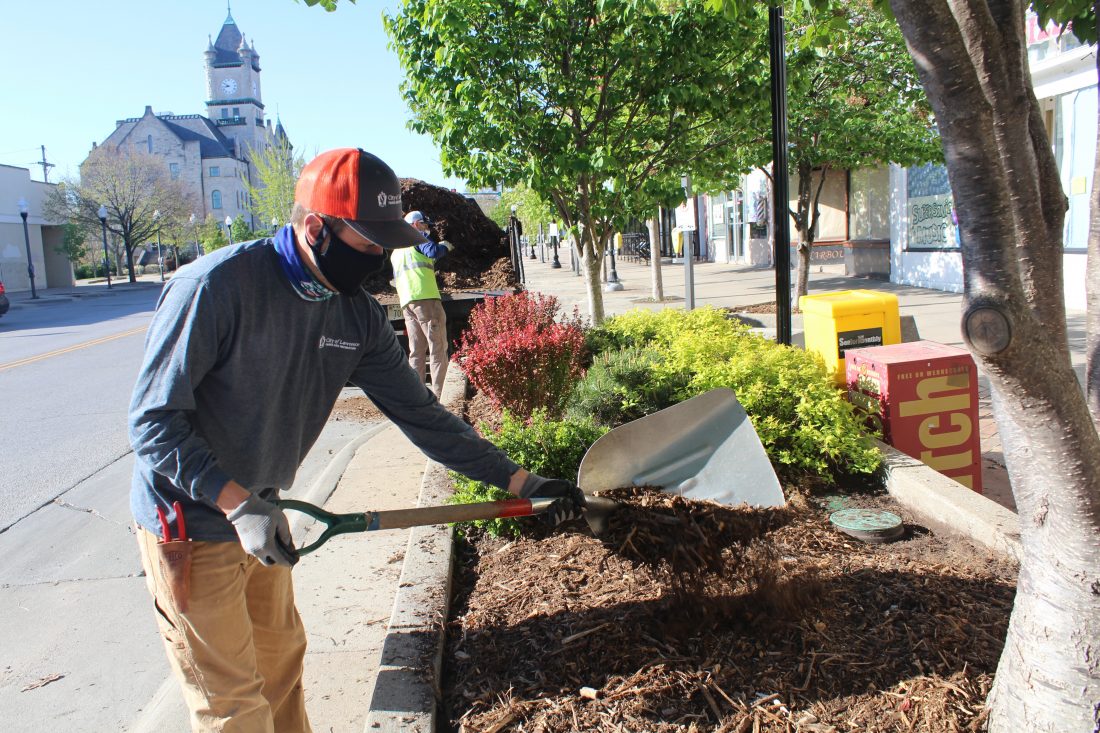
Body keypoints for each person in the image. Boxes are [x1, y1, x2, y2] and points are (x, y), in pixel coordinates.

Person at [128, 147, 585, 733]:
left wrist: (521, 481)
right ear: (316, 229)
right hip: (192, 522)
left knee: (281, 668)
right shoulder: (216, 288)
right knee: (233, 705)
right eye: (369, 244)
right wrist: (237, 505)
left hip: (263, 511)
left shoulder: (355, 316)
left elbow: (423, 416)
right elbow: (153, 423)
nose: (379, 258)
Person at [390, 210, 453, 396]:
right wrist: (445, 247)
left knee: (416, 352)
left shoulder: (396, 252)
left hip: (407, 303)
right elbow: (433, 251)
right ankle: (441, 396)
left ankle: (416, 398)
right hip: (426, 300)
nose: (427, 229)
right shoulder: (417, 238)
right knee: (438, 348)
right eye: (425, 224)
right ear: (416, 224)